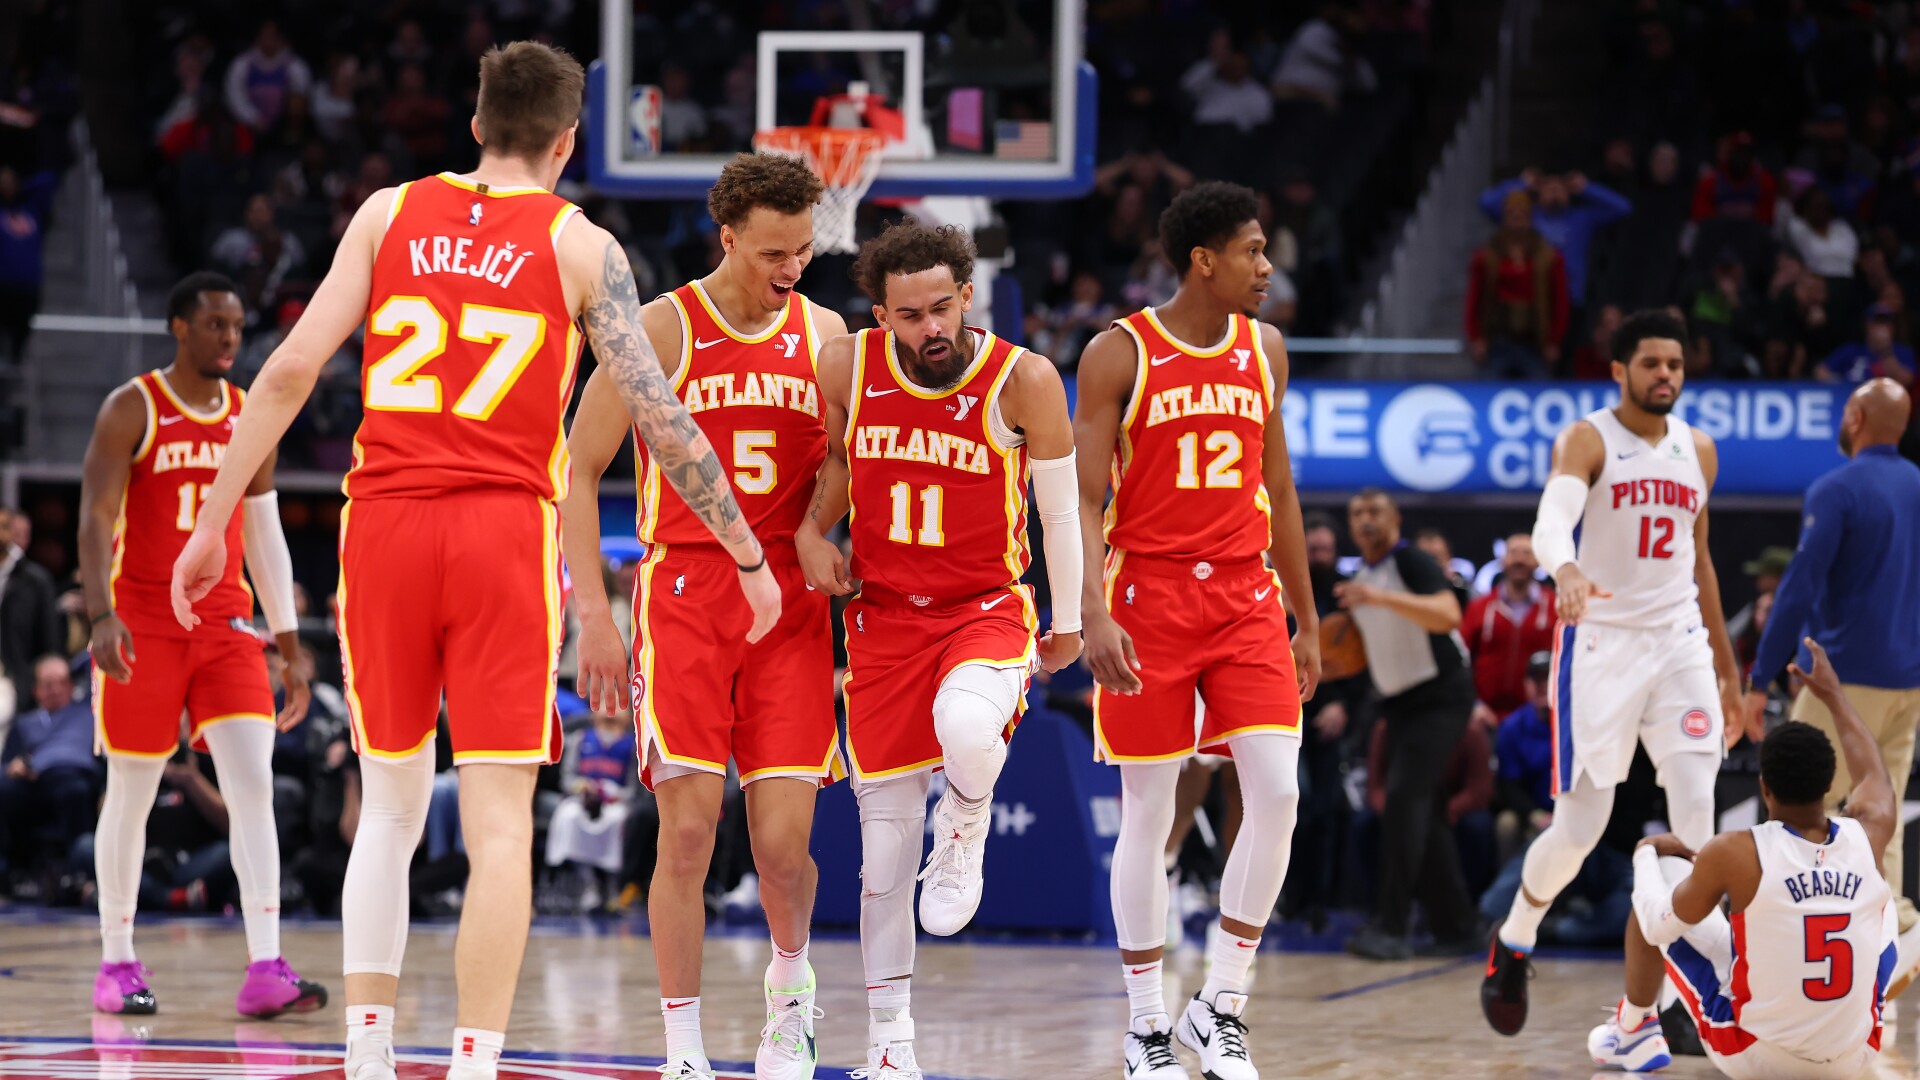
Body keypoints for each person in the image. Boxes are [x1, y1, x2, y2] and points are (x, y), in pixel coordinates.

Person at [170, 42, 775, 1080]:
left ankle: (365, 1059)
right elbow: (662, 417)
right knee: (498, 826)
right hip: (499, 534)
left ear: (475, 124)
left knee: (393, 806)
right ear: (569, 140)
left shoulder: (386, 213)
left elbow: (286, 376)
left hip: (387, 528)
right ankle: (474, 1064)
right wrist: (748, 551)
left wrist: (208, 525)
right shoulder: (584, 246)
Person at [561, 150, 847, 1080]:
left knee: (782, 847)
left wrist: (819, 530)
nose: (791, 267)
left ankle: (791, 995)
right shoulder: (659, 329)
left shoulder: (828, 333)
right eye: (774, 251)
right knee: (685, 834)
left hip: (794, 611)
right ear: (728, 239)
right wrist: (593, 616)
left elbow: (849, 465)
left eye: (803, 249)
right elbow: (576, 469)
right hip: (683, 597)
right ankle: (683, 1047)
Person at [795, 220, 1083, 1080]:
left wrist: (1067, 618)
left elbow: (1061, 512)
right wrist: (815, 528)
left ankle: (964, 818)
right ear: (880, 314)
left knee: (965, 725)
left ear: (968, 295)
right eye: (910, 314)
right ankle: (890, 1046)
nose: (931, 329)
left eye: (944, 308)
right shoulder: (847, 363)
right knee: (880, 855)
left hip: (984, 607)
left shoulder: (1023, 378)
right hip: (882, 620)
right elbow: (840, 463)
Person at [1070, 180, 1319, 1080]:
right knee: (1150, 808)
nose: (1267, 268)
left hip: (1248, 597)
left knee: (1279, 795)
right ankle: (1145, 1023)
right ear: (1205, 261)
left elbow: (1281, 490)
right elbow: (1083, 493)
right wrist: (1088, 608)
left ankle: (1221, 1007)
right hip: (1148, 595)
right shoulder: (1117, 352)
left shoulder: (1268, 350)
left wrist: (1307, 616)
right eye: (1254, 252)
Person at [1483, 308, 1745, 1036]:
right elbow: (1550, 517)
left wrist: (1727, 670)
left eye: (1676, 364)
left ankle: (1677, 1001)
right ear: (1619, 371)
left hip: (1680, 644)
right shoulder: (1589, 437)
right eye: (1652, 363)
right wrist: (1563, 567)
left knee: (1698, 818)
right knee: (1579, 830)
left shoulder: (1700, 449)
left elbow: (1702, 562)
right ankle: (1514, 939)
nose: (1666, 375)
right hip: (1600, 646)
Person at [76, 271, 320, 1019]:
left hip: (224, 628)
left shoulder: (251, 413)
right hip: (144, 625)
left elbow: (266, 530)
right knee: (134, 792)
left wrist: (288, 641)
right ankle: (117, 963)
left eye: (238, 328)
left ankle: (266, 966)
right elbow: (93, 519)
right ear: (180, 327)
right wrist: (99, 615)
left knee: (254, 788)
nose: (229, 339)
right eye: (216, 325)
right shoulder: (133, 407)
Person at [1588, 640, 1895, 1079]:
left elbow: (1658, 925)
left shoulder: (1736, 850)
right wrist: (1833, 696)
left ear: (1763, 786)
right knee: (1883, 913)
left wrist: (1645, 858)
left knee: (1658, 890)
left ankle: (1635, 1027)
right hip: (1854, 1058)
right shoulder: (1869, 832)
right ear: (1830, 784)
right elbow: (1873, 774)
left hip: (1755, 1057)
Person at [1744, 379, 1920, 942]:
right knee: (1881, 810)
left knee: (1790, 806)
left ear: (1854, 416)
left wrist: (1756, 678)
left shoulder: (1836, 487)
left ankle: (1774, 935)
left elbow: (1796, 589)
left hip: (1841, 680)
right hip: (1908, 683)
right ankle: (1891, 931)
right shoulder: (1917, 484)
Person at [1336, 490, 1478, 961]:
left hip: (1441, 695)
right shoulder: (1361, 576)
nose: (1366, 520)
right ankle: (1456, 925)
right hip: (1399, 703)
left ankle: (1392, 927)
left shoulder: (1411, 560)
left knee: (1402, 801)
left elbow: (1448, 614)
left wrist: (1377, 597)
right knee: (1425, 814)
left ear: (1394, 518)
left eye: (1374, 511)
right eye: (1357, 514)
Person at [0, 654, 101, 880]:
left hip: (75, 775)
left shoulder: (85, 709)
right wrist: (12, 768)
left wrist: (68, 669)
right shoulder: (26, 723)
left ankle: (80, 873)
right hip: (36, 779)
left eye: (61, 682)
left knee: (74, 791)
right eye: (47, 684)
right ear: (36, 690)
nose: (55, 689)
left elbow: (92, 657)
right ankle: (8, 871)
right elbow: (6, 763)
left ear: (72, 684)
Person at [1464, 535, 1556, 721]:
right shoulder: (1479, 608)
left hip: (1539, 719)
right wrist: (1474, 704)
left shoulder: (1556, 607)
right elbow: (1461, 659)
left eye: (1527, 553)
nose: (1519, 559)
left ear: (1538, 561)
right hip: (1485, 717)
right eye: (1513, 553)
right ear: (1502, 560)